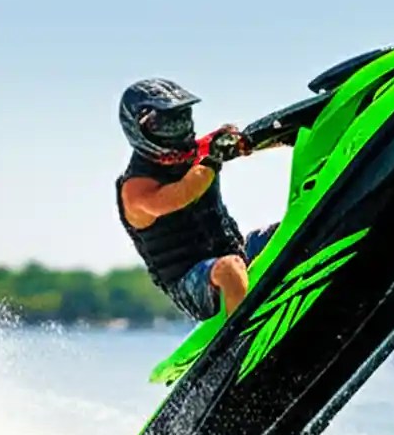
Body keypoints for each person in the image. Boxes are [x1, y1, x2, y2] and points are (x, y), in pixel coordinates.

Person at [115, 78, 275, 321]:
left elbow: (239, 142)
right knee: (230, 269)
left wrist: (248, 139)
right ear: (139, 129)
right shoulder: (135, 189)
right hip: (191, 283)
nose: (177, 128)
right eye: (166, 124)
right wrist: (213, 159)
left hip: (236, 251)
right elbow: (181, 195)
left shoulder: (198, 152)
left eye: (182, 118)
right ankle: (241, 345)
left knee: (289, 230)